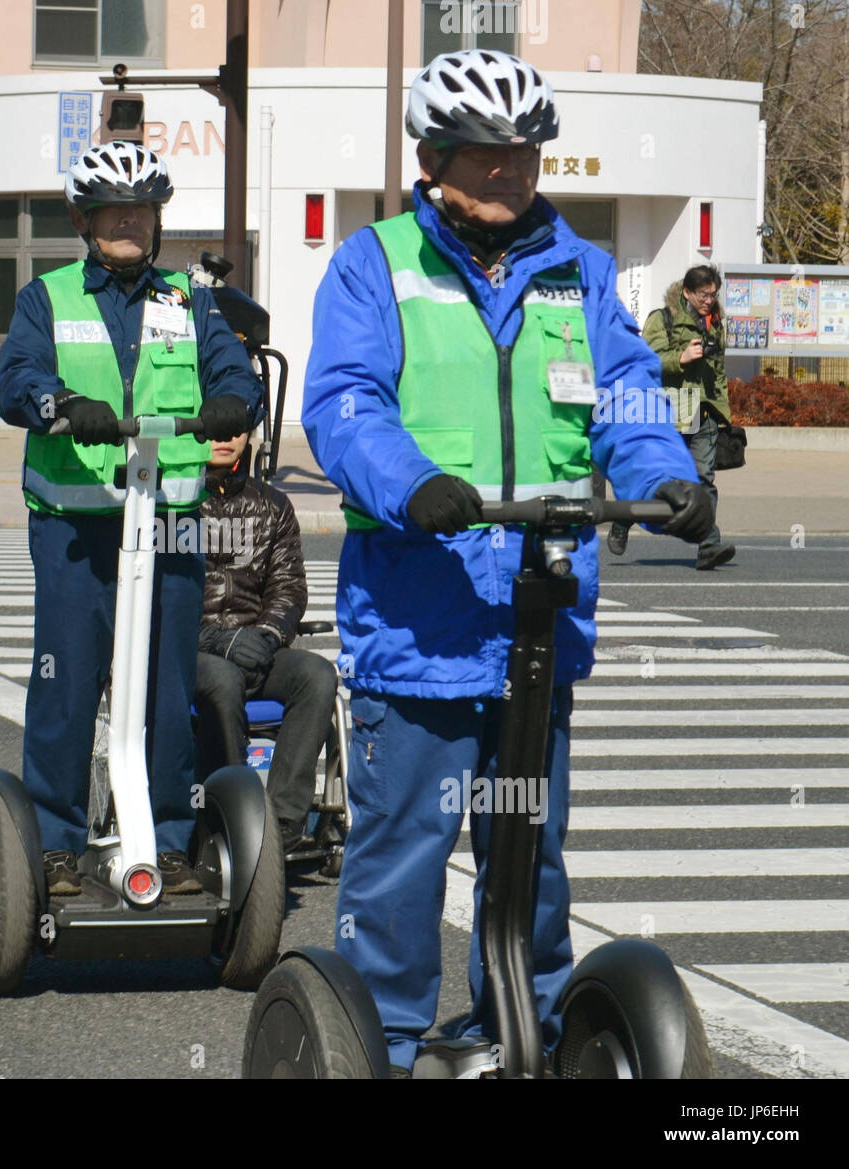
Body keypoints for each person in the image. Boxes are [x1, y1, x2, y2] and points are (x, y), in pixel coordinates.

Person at [301, 50, 713, 1074]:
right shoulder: (375, 261)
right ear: (434, 156)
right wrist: (410, 484)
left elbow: (623, 397)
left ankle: (517, 1035)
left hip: (542, 613)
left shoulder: (579, 272)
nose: (507, 170)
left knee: (529, 852)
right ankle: (387, 1044)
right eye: (484, 153)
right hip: (419, 616)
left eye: (522, 153)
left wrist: (666, 480)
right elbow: (344, 404)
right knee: (401, 854)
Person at [0, 142, 264, 897]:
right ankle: (54, 842)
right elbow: (14, 380)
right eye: (114, 209)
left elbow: (234, 371)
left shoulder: (188, 300)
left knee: (165, 687)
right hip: (75, 526)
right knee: (69, 682)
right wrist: (61, 406)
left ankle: (169, 838)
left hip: (170, 519)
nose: (128, 221)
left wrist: (234, 400)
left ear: (157, 220)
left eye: (141, 210)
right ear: (83, 219)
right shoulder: (47, 298)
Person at [193, 427, 337, 854]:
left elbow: (289, 587)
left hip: (256, 647)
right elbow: (156, 599)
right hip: (190, 653)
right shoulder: (168, 503)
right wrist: (219, 640)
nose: (224, 437)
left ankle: (283, 821)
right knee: (221, 679)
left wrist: (267, 636)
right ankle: (231, 815)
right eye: (212, 427)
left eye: (235, 428)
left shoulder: (273, 505)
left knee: (317, 674)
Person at [608, 264, 735, 569]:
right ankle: (623, 520)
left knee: (704, 480)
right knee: (655, 479)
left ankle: (708, 545)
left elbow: (718, 373)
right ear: (687, 292)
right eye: (703, 295)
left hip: (702, 412)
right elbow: (644, 361)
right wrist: (680, 358)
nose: (709, 300)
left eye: (713, 295)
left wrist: (725, 416)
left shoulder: (715, 322)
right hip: (668, 411)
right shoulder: (662, 319)